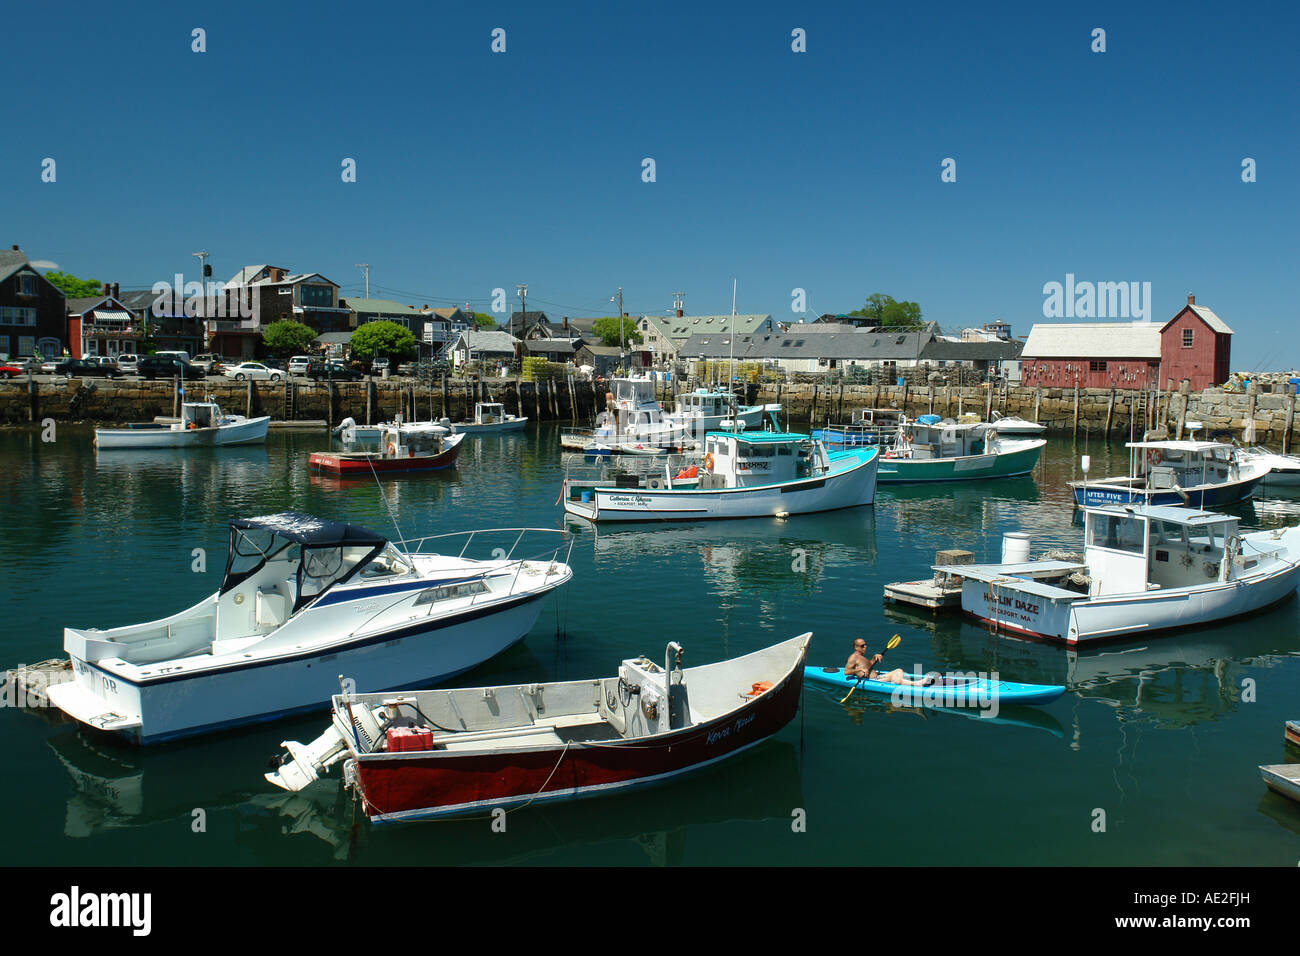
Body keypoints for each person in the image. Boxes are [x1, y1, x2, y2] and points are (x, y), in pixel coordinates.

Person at [844, 639, 929, 686]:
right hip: (872, 680)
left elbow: (868, 666)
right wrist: (859, 670)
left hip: (878, 677)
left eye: (865, 644)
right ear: (856, 647)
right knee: (895, 677)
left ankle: (897, 683)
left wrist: (874, 658)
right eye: (862, 646)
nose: (865, 647)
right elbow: (846, 672)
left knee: (899, 670)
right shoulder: (853, 658)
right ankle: (915, 684)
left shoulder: (861, 656)